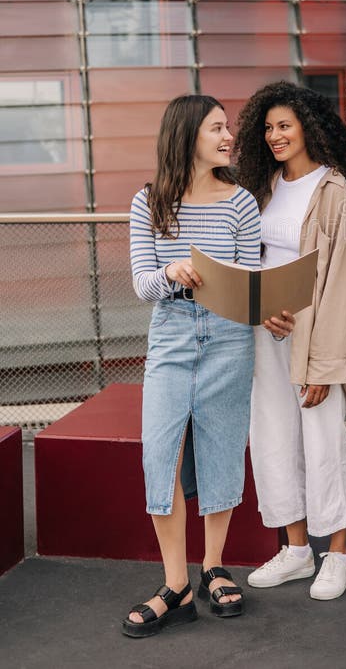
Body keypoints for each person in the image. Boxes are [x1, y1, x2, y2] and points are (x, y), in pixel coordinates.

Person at [123, 94, 292, 637]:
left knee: (221, 452)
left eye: (229, 129)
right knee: (162, 456)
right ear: (188, 134)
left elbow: (246, 282)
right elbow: (142, 285)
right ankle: (174, 586)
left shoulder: (241, 201)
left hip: (229, 340)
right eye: (218, 128)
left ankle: (212, 567)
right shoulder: (149, 201)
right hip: (171, 338)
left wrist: (267, 309)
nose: (229, 138)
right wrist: (173, 271)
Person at [234, 82, 346, 601]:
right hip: (267, 330)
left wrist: (325, 364)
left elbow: (338, 282)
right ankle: (296, 550)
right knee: (273, 437)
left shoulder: (331, 189)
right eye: (267, 128)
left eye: (284, 125)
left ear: (308, 125)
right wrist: (261, 309)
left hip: (315, 332)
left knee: (324, 439)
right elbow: (253, 260)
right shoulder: (262, 187)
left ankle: (338, 556)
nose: (275, 135)